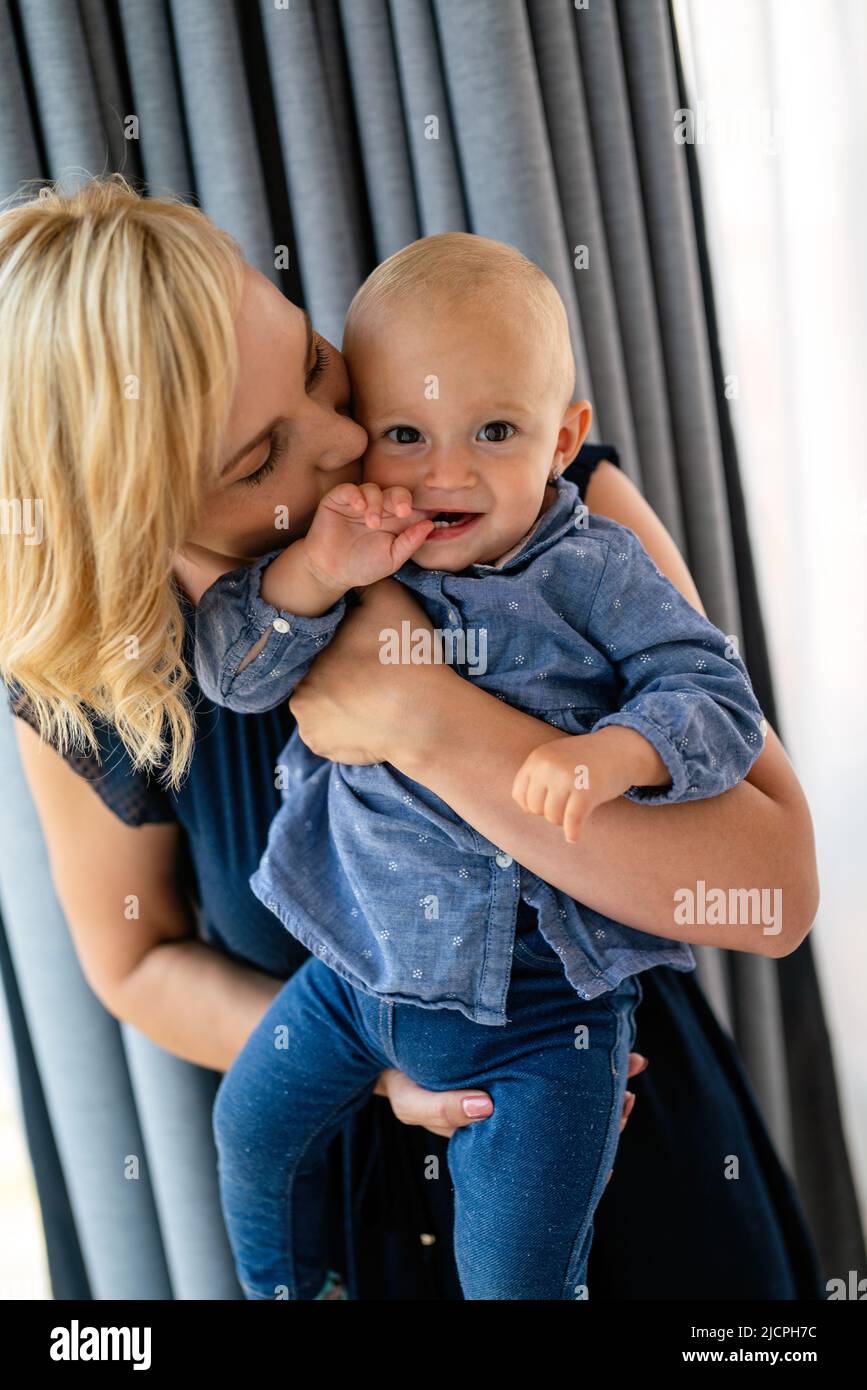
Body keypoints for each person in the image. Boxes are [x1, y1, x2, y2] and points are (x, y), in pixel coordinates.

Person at [0, 175, 823, 1300]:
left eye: (309, 363)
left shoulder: (539, 499)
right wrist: (388, 1068)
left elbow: (774, 894)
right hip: (375, 1198)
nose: (350, 441)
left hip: (629, 1141)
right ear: (142, 515)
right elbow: (136, 962)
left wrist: (430, 721)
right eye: (261, 459)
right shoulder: (98, 679)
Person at [190, 233, 769, 1299]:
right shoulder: (352, 539)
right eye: (404, 432)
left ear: (564, 436)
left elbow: (717, 699)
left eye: (494, 430)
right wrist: (318, 570)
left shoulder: (592, 566)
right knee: (249, 1128)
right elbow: (237, 671)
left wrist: (618, 750)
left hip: (546, 1017)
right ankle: (284, 1289)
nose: (444, 473)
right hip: (356, 975)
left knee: (514, 1274)